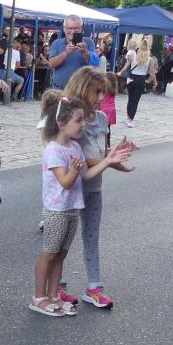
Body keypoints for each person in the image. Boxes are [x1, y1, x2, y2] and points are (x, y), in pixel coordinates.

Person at [31, 91, 130, 317]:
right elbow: (66, 182)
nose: (83, 124)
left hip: (71, 209)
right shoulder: (53, 150)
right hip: (56, 211)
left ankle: (54, 295)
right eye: (78, 120)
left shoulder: (75, 148)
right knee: (49, 254)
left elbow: (86, 176)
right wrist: (75, 169)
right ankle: (39, 297)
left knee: (61, 255)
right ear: (61, 123)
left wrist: (108, 161)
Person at [60, 68, 136, 309]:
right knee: (63, 240)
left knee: (91, 237)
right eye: (97, 91)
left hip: (94, 187)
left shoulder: (102, 118)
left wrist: (117, 155)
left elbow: (101, 151)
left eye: (104, 92)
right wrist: (109, 161)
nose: (102, 97)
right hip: (70, 189)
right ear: (82, 90)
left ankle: (94, 287)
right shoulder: (70, 119)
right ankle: (57, 284)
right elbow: (76, 156)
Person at [46, 15, 99, 90]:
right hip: (59, 91)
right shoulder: (57, 43)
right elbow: (51, 65)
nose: (73, 31)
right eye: (70, 28)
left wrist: (85, 52)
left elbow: (93, 66)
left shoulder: (88, 42)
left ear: (81, 28)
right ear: (64, 29)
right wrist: (66, 52)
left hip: (81, 92)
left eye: (76, 28)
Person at [119, 35, 156, 127]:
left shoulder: (133, 56)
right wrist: (149, 81)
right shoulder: (150, 60)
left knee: (130, 99)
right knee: (135, 101)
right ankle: (131, 120)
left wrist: (120, 72)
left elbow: (125, 67)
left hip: (131, 78)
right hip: (141, 79)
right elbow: (152, 73)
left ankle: (128, 117)